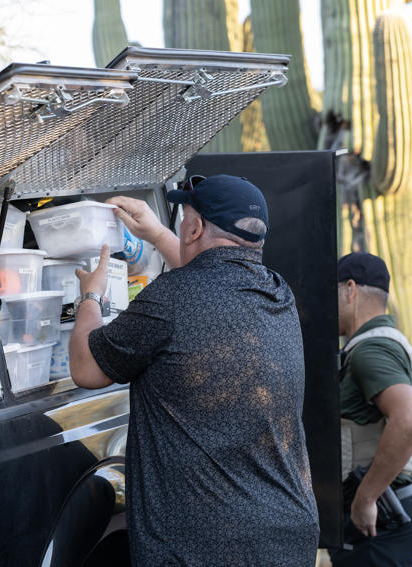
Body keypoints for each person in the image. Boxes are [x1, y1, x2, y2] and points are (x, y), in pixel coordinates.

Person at [68, 174, 319, 566]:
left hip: (206, 547)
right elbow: (207, 279)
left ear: (196, 227)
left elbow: (87, 368)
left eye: (185, 216)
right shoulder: (278, 292)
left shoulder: (171, 298)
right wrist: (155, 234)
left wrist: (90, 296)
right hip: (288, 534)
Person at [329, 252, 412, 567]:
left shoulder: (370, 351)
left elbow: (411, 422)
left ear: (350, 289)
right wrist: (394, 479)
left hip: (377, 525)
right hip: (394, 512)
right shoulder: (390, 342)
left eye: (330, 293)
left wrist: (368, 496)